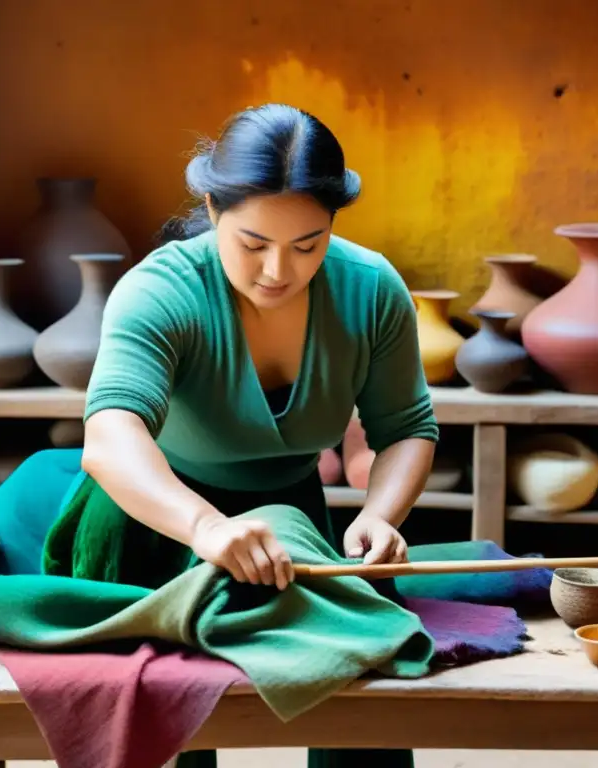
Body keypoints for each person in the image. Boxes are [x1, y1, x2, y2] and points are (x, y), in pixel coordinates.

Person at [76, 103, 438, 767]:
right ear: (213, 209)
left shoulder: (371, 290)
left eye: (308, 245)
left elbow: (409, 427)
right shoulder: (162, 292)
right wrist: (205, 526)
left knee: (357, 690)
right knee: (169, 715)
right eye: (253, 244)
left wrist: (383, 517)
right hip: (153, 519)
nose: (278, 270)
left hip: (293, 517)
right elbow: (110, 437)